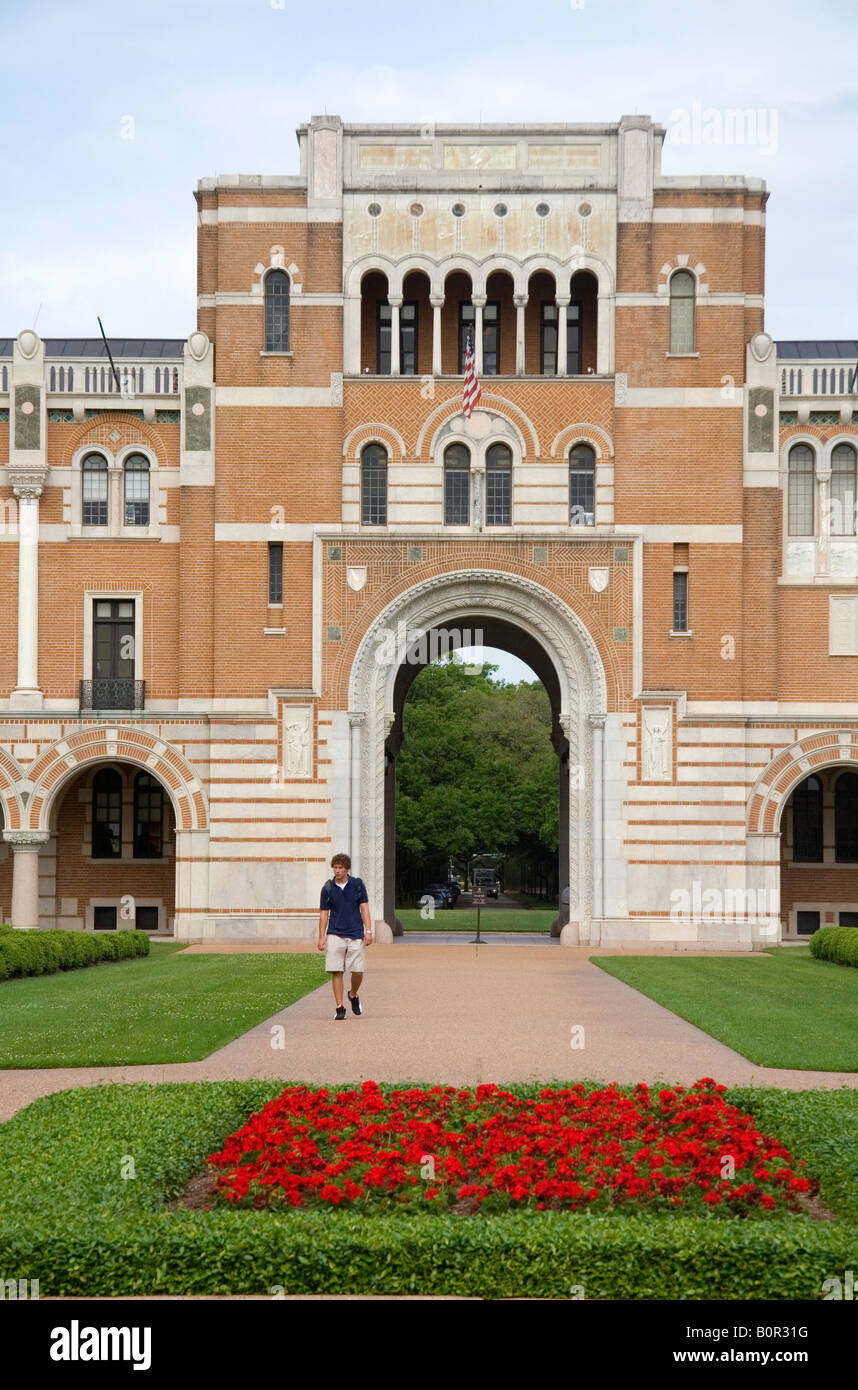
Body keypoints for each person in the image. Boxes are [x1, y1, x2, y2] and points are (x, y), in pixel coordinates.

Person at [318, 853, 372, 1020]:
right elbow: (323, 914)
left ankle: (353, 994)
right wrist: (321, 937)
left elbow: (364, 908)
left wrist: (368, 931)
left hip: (355, 932)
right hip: (335, 933)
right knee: (336, 970)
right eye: (335, 867)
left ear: (347, 868)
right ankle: (340, 1007)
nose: (338, 870)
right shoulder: (327, 888)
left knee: (357, 970)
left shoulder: (357, 884)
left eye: (340, 867)